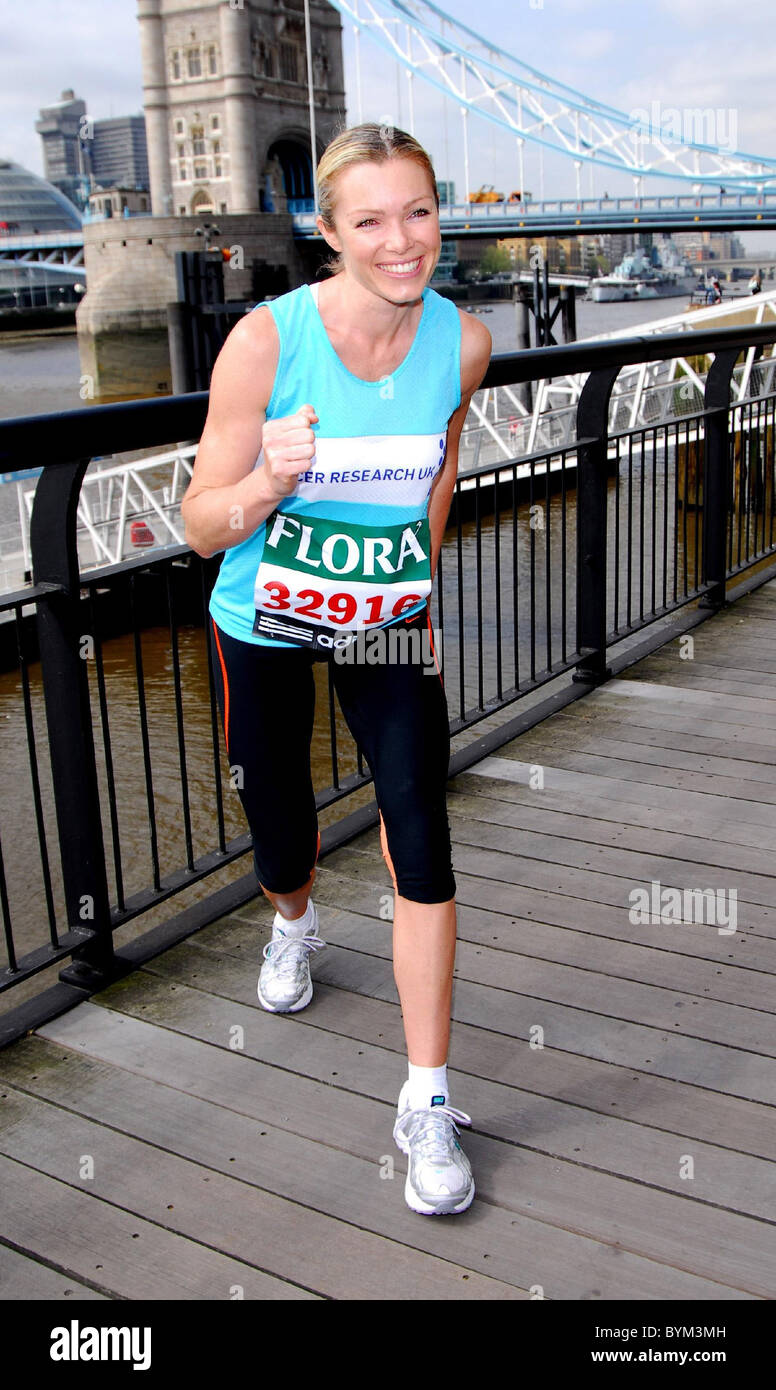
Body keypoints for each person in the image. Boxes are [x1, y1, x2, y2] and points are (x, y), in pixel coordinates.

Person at [181, 122, 492, 1217]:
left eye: (417, 211)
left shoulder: (463, 341)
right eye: (369, 218)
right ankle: (293, 921)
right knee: (277, 817)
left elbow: (440, 471)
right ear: (327, 230)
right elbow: (199, 525)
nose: (400, 239)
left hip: (384, 625)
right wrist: (265, 482)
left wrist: (415, 588)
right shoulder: (267, 346)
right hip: (262, 617)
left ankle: (426, 1097)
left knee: (420, 825)